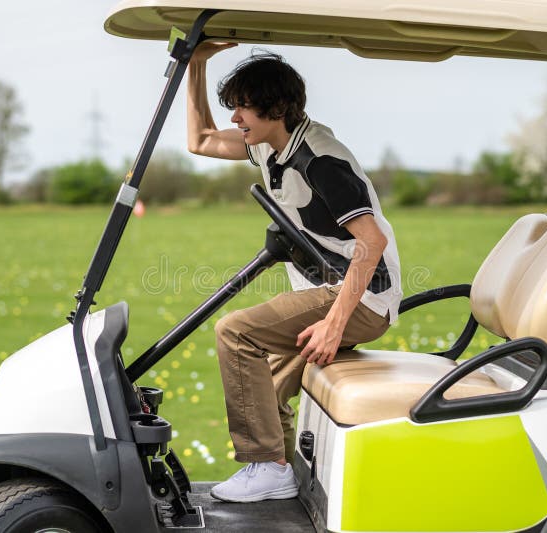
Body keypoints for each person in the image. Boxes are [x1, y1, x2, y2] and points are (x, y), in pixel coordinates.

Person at [187, 43, 402, 503]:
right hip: (332, 288)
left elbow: (372, 243)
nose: (235, 118)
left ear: (277, 107)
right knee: (262, 381)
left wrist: (333, 323)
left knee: (235, 332)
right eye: (235, 107)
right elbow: (199, 140)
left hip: (360, 296)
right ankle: (284, 484)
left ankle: (266, 467)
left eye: (243, 107)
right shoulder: (270, 146)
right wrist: (196, 62)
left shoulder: (321, 160)